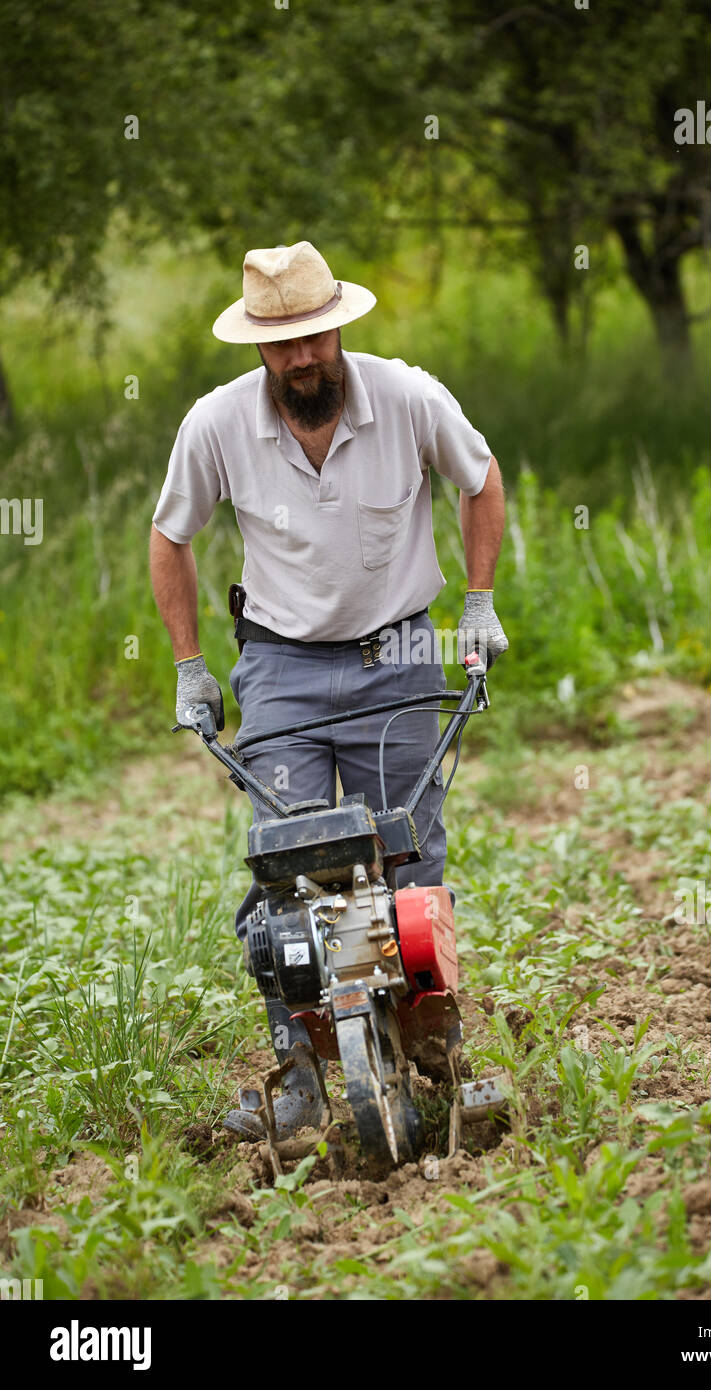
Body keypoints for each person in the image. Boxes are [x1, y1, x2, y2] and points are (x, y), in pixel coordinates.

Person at [149, 240, 508, 1140]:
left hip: (397, 655)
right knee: (290, 872)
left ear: (339, 324)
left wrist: (477, 606)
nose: (302, 358)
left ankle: (438, 1051)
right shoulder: (217, 424)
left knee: (410, 858)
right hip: (281, 664)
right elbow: (170, 537)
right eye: (282, 345)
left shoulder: (409, 397)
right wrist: (192, 666)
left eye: (315, 338)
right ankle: (304, 1067)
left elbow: (481, 479)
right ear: (258, 347)